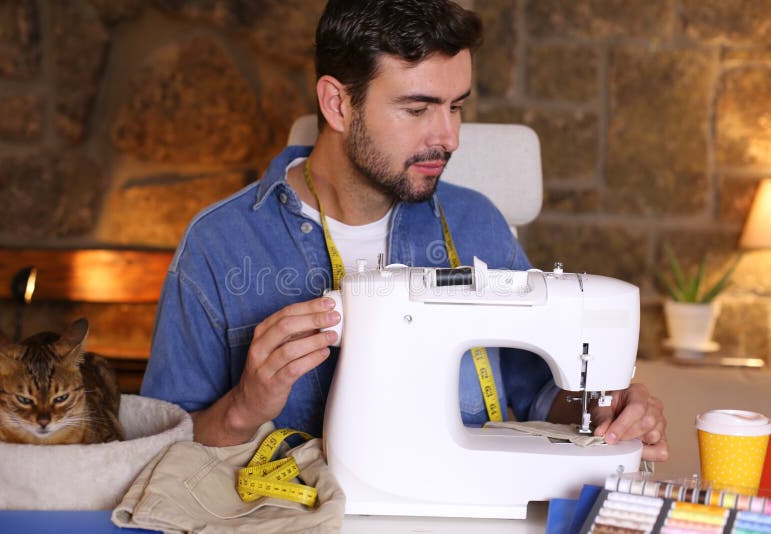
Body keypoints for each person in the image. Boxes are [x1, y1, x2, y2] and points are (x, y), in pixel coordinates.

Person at [141, 0, 668, 462]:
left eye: (456, 106)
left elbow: (542, 395)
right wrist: (243, 409)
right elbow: (157, 454)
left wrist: (607, 406)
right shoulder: (219, 246)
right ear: (337, 104)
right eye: (418, 108)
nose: (450, 136)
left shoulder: (476, 223)